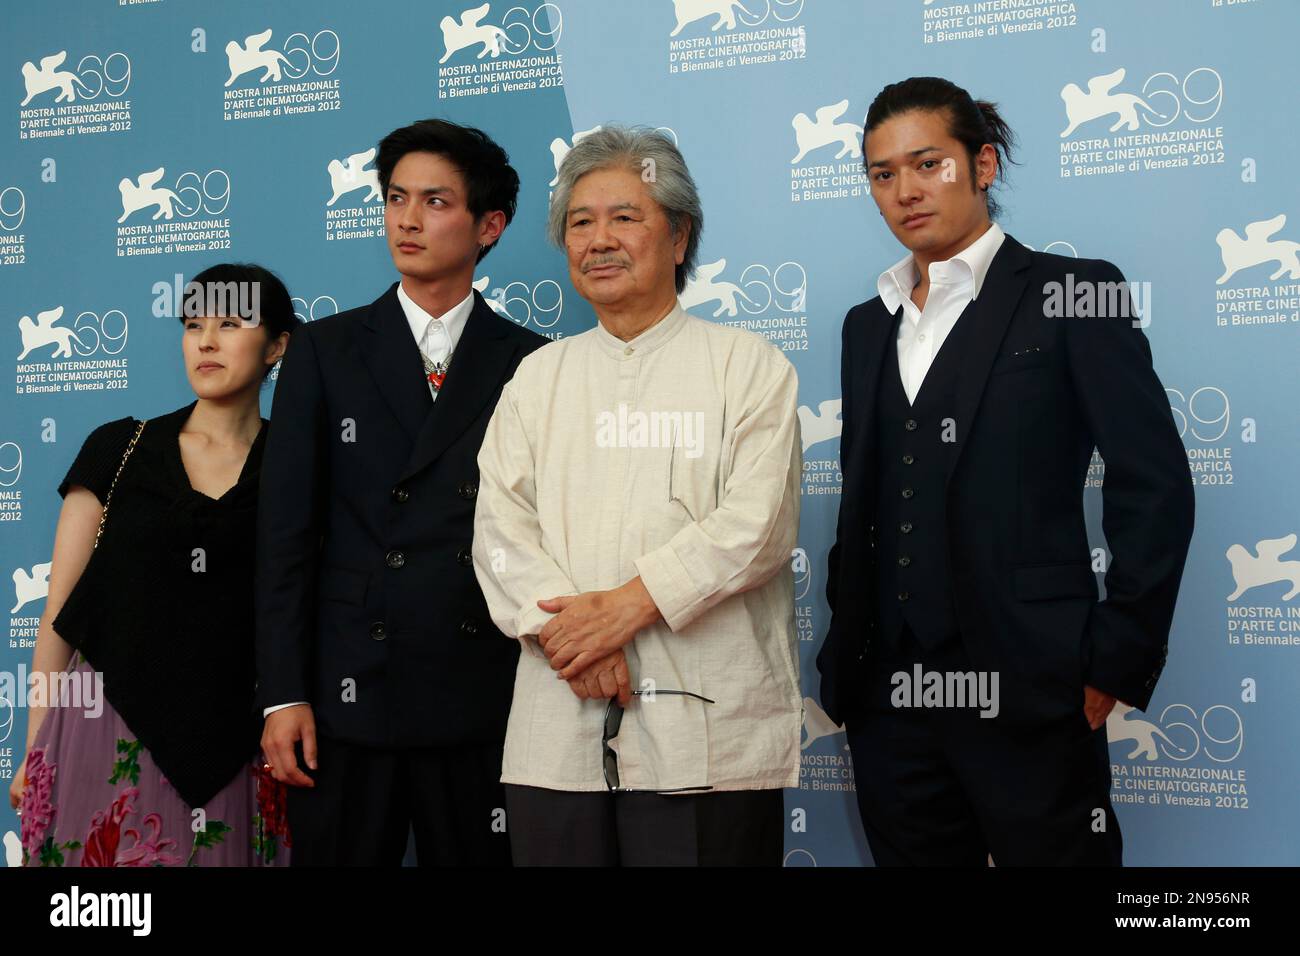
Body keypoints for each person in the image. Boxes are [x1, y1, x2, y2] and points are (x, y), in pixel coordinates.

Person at [817, 76, 1195, 866]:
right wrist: (843, 661)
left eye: (928, 165)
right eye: (882, 174)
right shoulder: (865, 325)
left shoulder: (1074, 293)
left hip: (1034, 686)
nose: (905, 191)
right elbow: (870, 500)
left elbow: (1152, 482)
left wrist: (1114, 659)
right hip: (889, 698)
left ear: (982, 165)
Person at [472, 125, 803, 867]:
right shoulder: (538, 379)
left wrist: (626, 607)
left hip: (711, 736)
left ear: (679, 237)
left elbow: (757, 527)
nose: (599, 240)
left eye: (626, 217)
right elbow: (499, 531)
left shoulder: (748, 367)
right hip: (558, 727)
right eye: (580, 223)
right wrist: (577, 640)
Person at [256, 119, 547, 866]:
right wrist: (283, 694)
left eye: (436, 201)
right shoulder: (324, 349)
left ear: (490, 224)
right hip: (349, 697)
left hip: (483, 697)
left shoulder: (535, 362)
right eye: (395, 198)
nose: (408, 220)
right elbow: (285, 535)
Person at [10, 262, 299, 866]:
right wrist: (36, 743)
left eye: (230, 322)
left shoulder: (298, 467)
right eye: (193, 324)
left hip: (237, 746)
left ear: (277, 345)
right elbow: (59, 611)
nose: (207, 341)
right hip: (100, 731)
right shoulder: (118, 448)